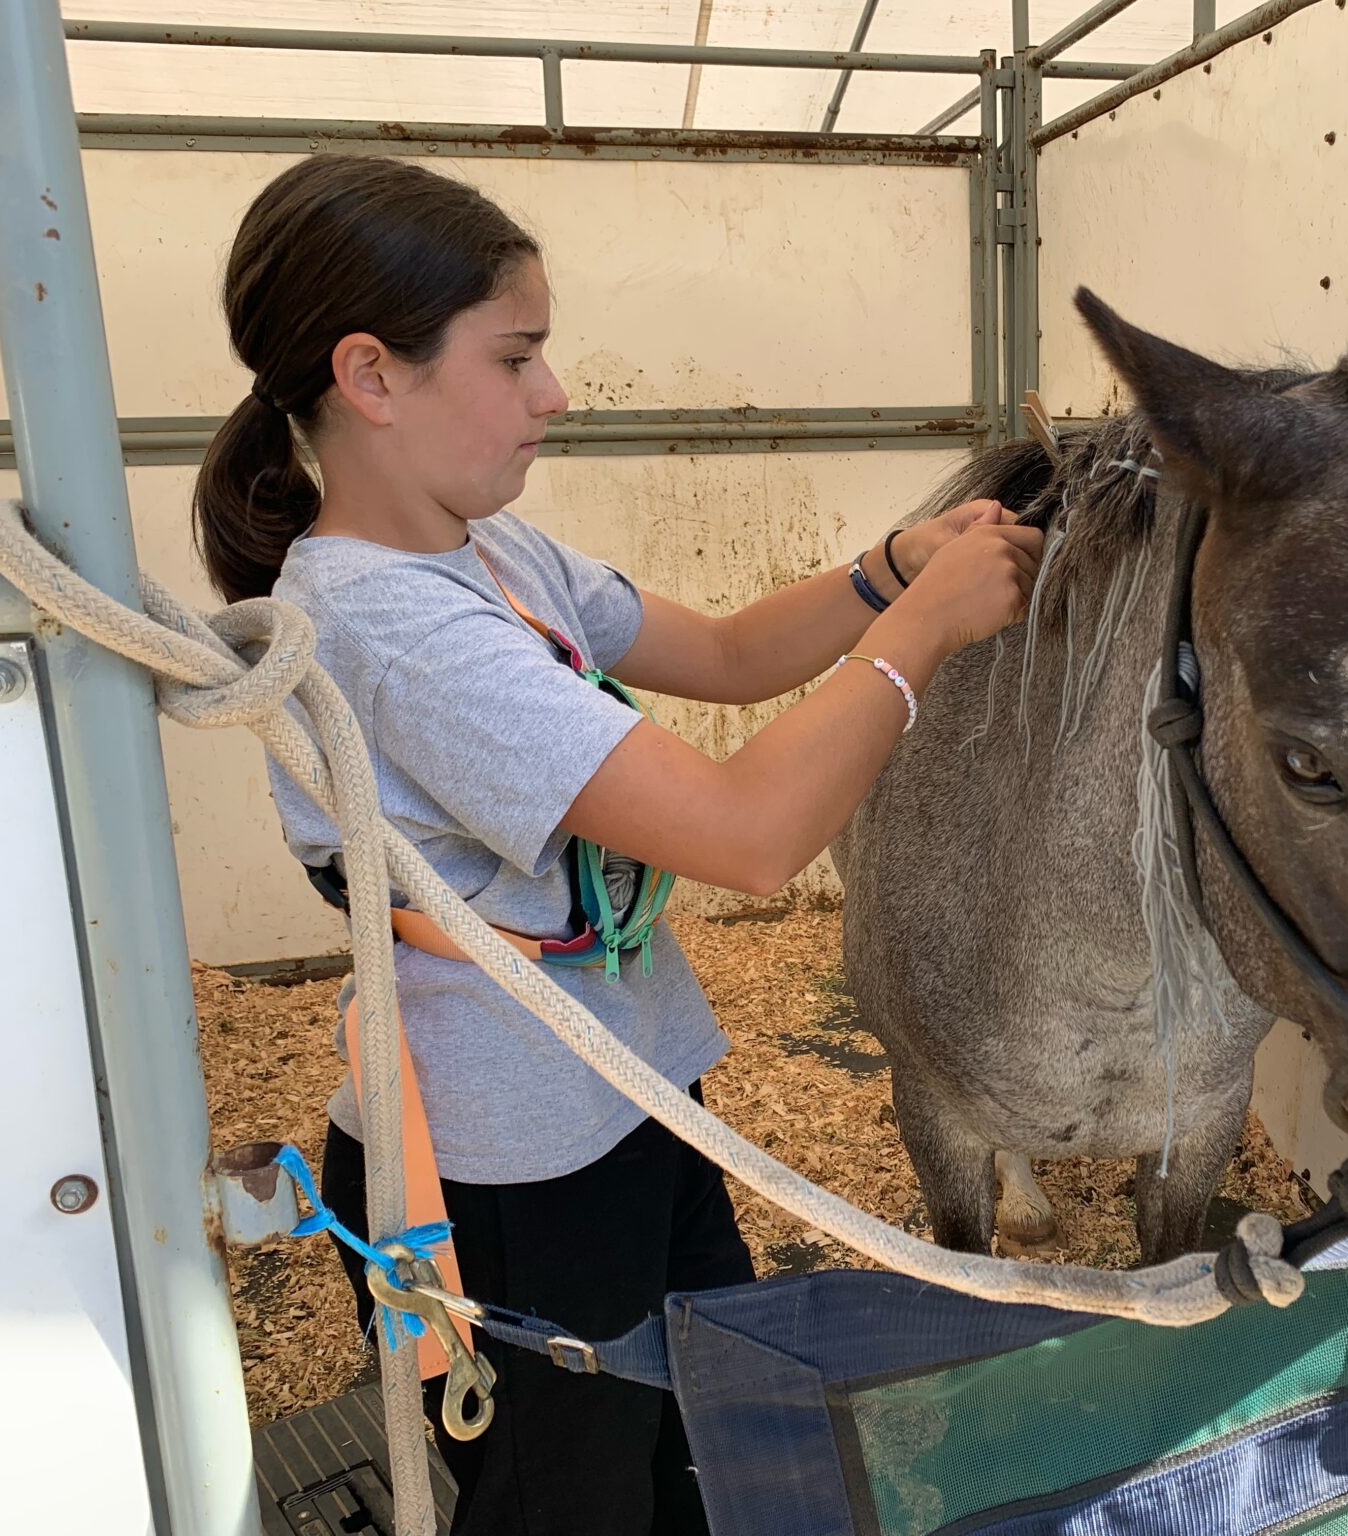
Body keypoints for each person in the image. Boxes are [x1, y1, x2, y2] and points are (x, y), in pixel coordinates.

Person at [192, 153, 1042, 1535]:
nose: (555, 395)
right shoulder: (387, 627)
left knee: (697, 1445)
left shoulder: (492, 557)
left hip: (628, 1092)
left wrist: (892, 565)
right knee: (565, 1500)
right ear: (371, 375)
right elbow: (751, 837)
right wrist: (928, 625)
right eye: (516, 356)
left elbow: (721, 650)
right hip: (508, 1165)